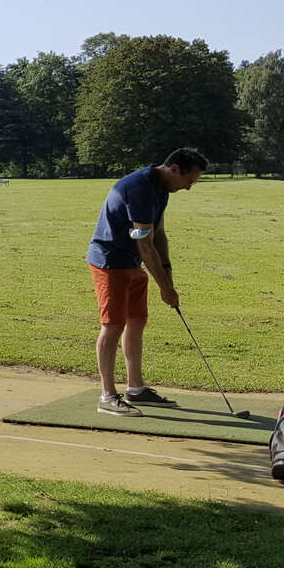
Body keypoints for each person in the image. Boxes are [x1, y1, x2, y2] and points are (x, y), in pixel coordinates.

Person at [87, 147, 209, 417]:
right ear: (174, 169)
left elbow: (159, 234)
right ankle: (107, 396)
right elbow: (145, 244)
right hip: (110, 261)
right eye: (188, 181)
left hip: (132, 262)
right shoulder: (140, 187)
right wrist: (165, 288)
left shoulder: (162, 188)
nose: (188, 188)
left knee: (137, 320)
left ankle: (136, 388)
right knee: (113, 325)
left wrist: (169, 277)